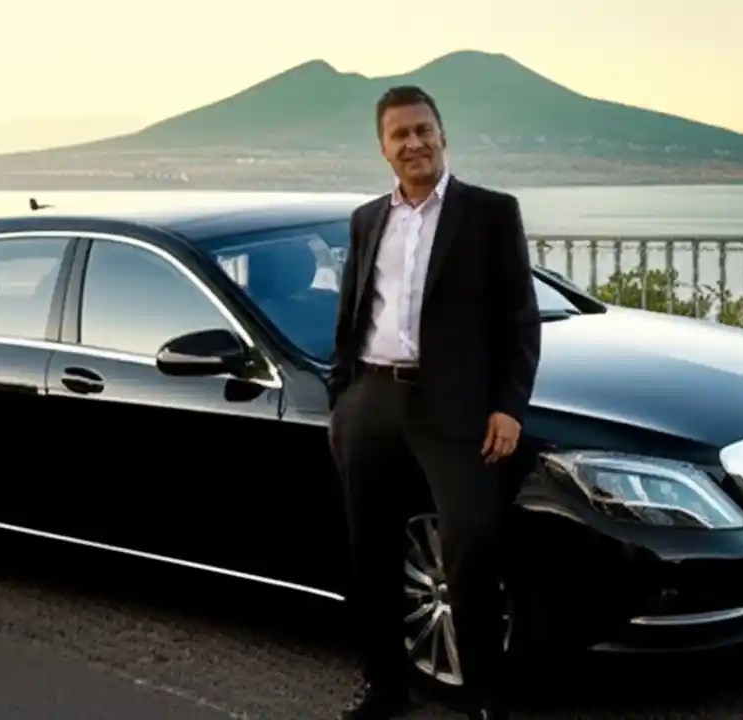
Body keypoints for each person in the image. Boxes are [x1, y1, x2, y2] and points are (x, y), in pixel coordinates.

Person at [327, 85, 541, 720]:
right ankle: (386, 691)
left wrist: (509, 405)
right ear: (383, 149)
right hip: (372, 403)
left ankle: (482, 700)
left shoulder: (491, 213)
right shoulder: (368, 219)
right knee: (372, 553)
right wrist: (345, 402)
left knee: (472, 550)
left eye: (424, 130)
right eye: (401, 135)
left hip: (457, 413)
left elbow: (519, 319)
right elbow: (352, 312)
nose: (414, 143)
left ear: (443, 135)